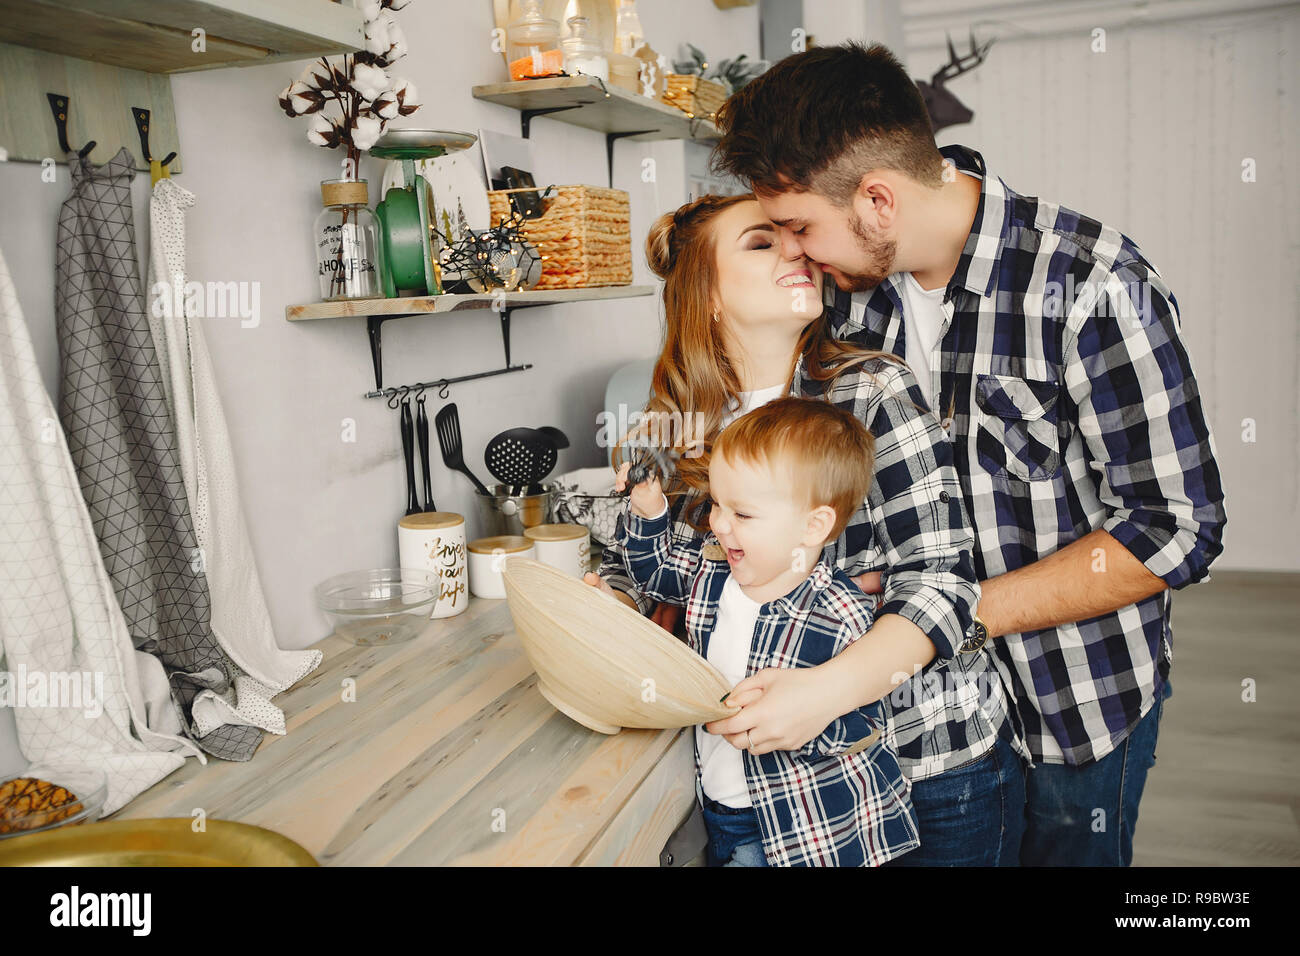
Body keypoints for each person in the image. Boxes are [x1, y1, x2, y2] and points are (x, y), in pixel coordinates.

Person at [711, 41, 1227, 866]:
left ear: (878, 200)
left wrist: (949, 615)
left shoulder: (1094, 286)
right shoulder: (847, 306)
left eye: (801, 228)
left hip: (1071, 701)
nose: (797, 254)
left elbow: (1176, 530)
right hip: (926, 728)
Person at [588, 192, 1027, 866]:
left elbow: (941, 581)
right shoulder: (665, 430)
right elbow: (621, 555)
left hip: (927, 764)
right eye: (762, 243)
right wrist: (619, 602)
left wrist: (825, 687)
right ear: (705, 294)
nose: (799, 250)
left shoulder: (871, 392)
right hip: (763, 791)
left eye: (795, 234)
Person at [618, 396, 919, 866]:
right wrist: (649, 508)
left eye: (743, 514)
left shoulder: (840, 610)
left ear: (813, 526)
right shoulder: (713, 571)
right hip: (719, 809)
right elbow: (653, 573)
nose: (717, 523)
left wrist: (799, 719)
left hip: (803, 830)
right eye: (717, 504)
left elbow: (869, 722)